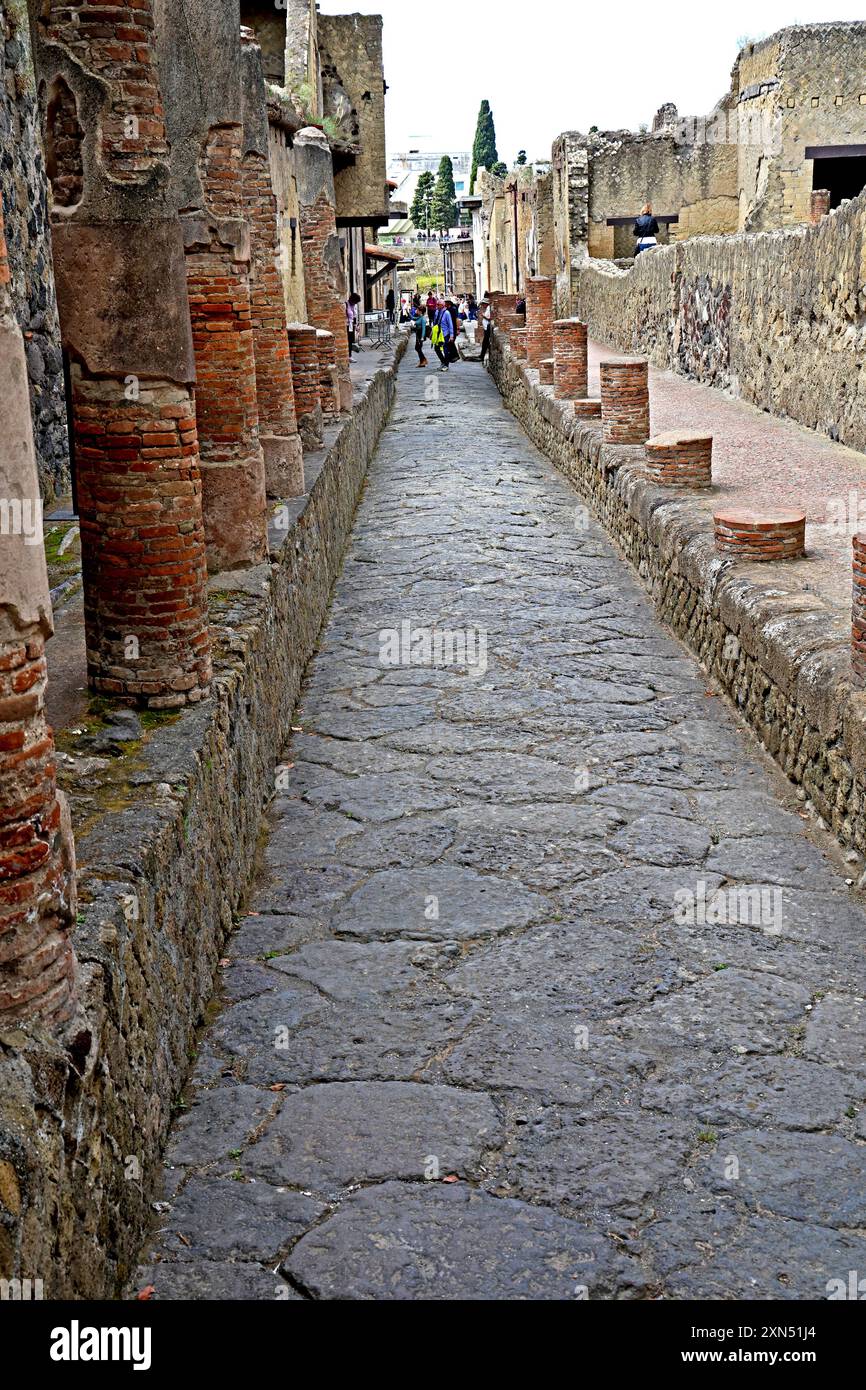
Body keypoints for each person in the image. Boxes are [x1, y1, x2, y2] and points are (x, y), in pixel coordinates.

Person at [478, 296, 492, 366]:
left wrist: (483, 316)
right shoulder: (487, 309)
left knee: (485, 342)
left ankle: (482, 356)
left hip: (488, 327)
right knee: (485, 342)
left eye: (483, 304)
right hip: (485, 327)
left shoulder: (489, 308)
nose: (482, 305)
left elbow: (490, 318)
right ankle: (482, 355)